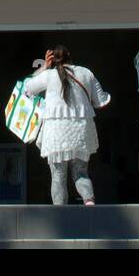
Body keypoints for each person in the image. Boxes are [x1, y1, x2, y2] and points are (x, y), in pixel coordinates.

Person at [24, 45, 111, 205]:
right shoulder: (86, 73)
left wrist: (44, 67)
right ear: (69, 56)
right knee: (81, 173)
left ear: (53, 59)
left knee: (58, 177)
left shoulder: (49, 75)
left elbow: (27, 88)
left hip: (55, 133)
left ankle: (61, 212)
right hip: (80, 130)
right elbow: (102, 101)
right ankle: (89, 202)